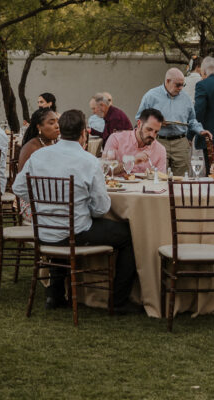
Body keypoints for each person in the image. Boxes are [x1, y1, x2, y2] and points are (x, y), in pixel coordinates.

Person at [11, 109, 141, 314]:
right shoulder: (89, 161)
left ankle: (54, 295)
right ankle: (118, 300)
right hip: (74, 232)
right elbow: (101, 209)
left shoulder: (39, 156)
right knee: (128, 235)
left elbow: (18, 188)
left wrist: (45, 206)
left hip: (44, 232)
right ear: (84, 133)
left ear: (60, 130)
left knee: (66, 228)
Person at [136, 67, 204, 173]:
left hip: (180, 142)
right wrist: (156, 121)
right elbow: (139, 118)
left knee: (181, 179)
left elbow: (192, 120)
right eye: (178, 85)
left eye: (183, 85)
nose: (181, 88)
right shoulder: (151, 96)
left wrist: (200, 130)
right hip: (158, 140)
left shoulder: (186, 98)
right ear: (167, 81)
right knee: (158, 176)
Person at [101, 109, 167, 176]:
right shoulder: (116, 139)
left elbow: (161, 180)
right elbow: (104, 170)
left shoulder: (160, 150)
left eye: (156, 132)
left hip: (146, 186)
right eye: (149, 129)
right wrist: (132, 161)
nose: (152, 135)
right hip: (118, 185)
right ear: (139, 124)